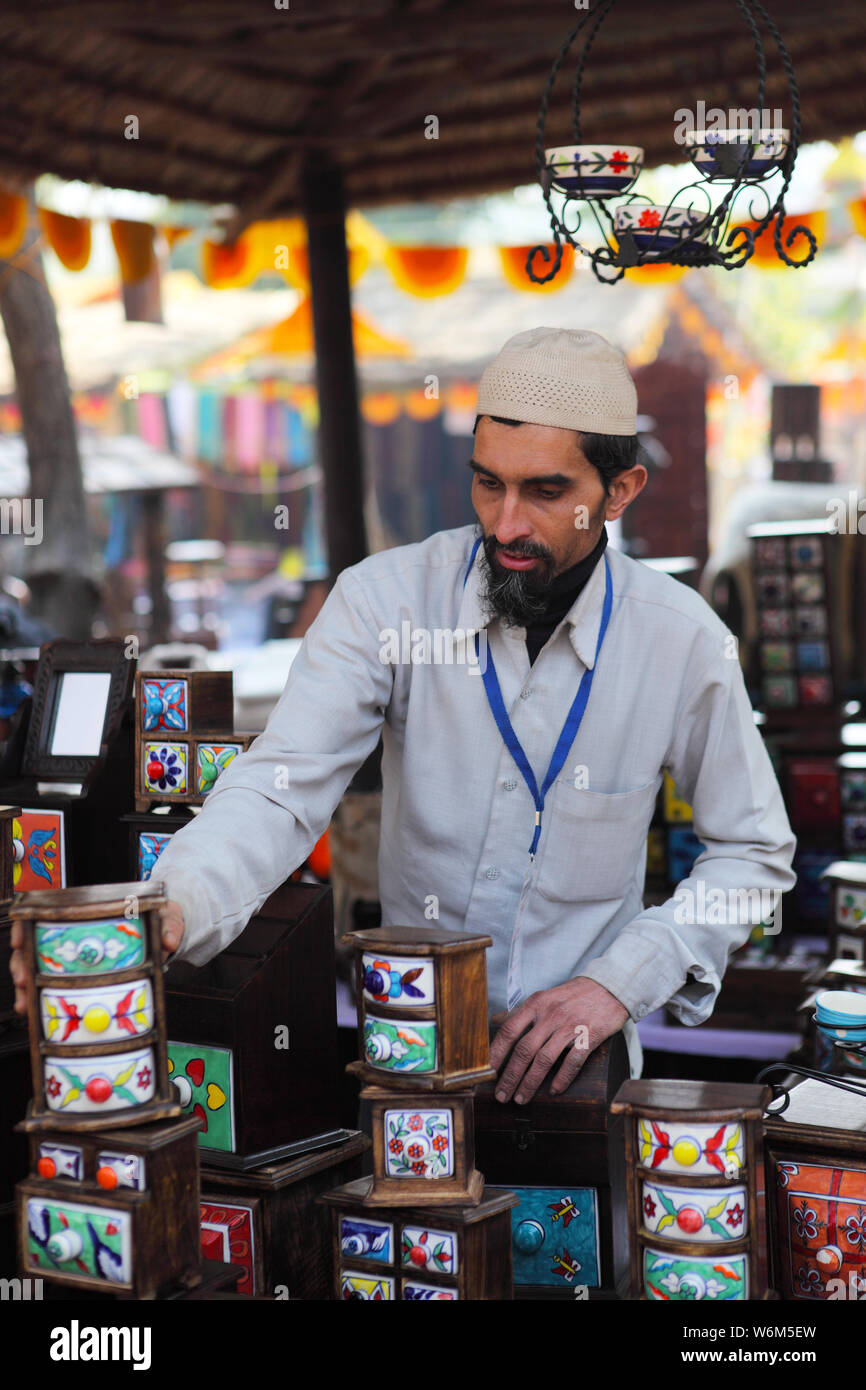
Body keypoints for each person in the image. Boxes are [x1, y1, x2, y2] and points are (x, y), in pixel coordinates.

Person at [10, 327, 796, 1101]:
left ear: (619, 492)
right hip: (406, 1052)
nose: (507, 524)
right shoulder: (384, 602)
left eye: (546, 491)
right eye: (488, 483)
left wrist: (618, 983)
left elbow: (753, 855)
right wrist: (175, 901)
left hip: (580, 1072)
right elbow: (281, 789)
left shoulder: (681, 640)